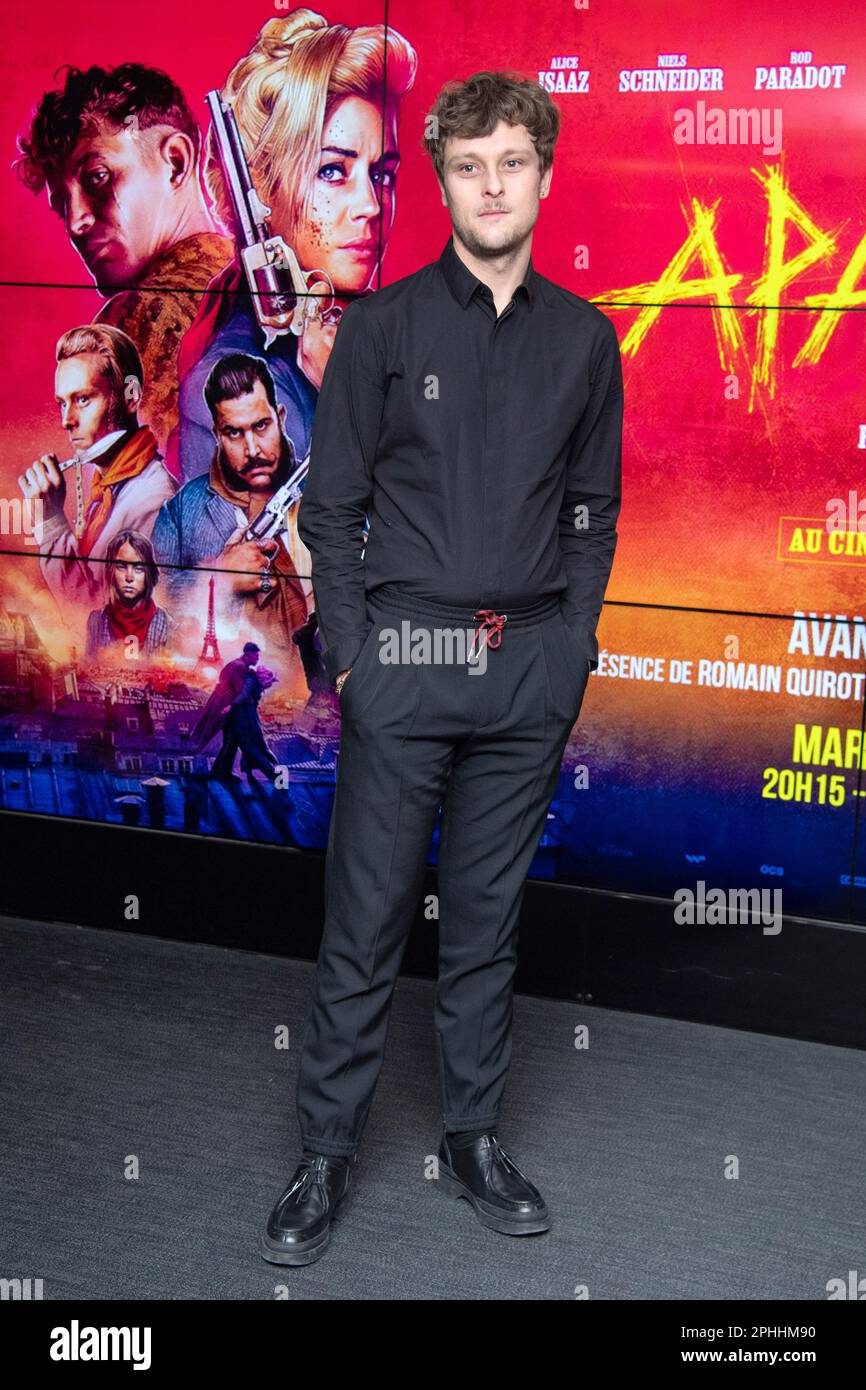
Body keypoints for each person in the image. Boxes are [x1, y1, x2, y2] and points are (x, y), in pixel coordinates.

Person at [261, 70, 624, 1266]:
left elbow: (590, 513)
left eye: (509, 163)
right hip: (405, 658)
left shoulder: (585, 338)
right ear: (444, 181)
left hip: (526, 667)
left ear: (542, 176)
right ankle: (322, 1156)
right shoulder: (381, 327)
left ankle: (472, 1138)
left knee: (484, 921)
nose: (490, 186)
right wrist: (359, 662)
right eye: (467, 167)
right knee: (363, 922)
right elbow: (332, 512)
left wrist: (567, 655)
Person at [168, 10, 417, 483]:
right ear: (264, 188)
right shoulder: (228, 391)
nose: (370, 205)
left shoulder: (377, 333)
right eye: (331, 171)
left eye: (382, 174)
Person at [15, 62, 233, 454]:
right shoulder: (247, 284)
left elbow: (110, 501)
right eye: (61, 204)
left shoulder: (134, 319)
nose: (75, 221)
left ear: (176, 163)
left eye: (97, 177)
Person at [151, 353, 309, 677]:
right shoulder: (180, 514)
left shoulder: (326, 498)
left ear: (280, 417)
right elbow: (152, 602)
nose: (252, 449)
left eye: (261, 426)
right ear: (217, 434)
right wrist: (219, 578)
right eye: (234, 433)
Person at [18, 324, 176, 610]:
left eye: (83, 399)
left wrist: (51, 523)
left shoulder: (154, 499)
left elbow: (96, 618)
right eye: (62, 404)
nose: (67, 420)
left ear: (130, 397)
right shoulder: (106, 489)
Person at [192, 642, 277, 782]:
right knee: (242, 743)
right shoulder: (240, 667)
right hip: (233, 711)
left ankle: (220, 772)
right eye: (256, 655)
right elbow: (241, 692)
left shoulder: (236, 664)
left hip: (225, 708)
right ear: (248, 654)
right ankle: (272, 775)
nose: (257, 658)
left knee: (230, 741)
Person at [85, 529, 173, 659]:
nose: (129, 577)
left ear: (148, 574)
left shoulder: (165, 623)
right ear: (111, 571)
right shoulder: (96, 621)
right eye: (121, 566)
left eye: (138, 568)